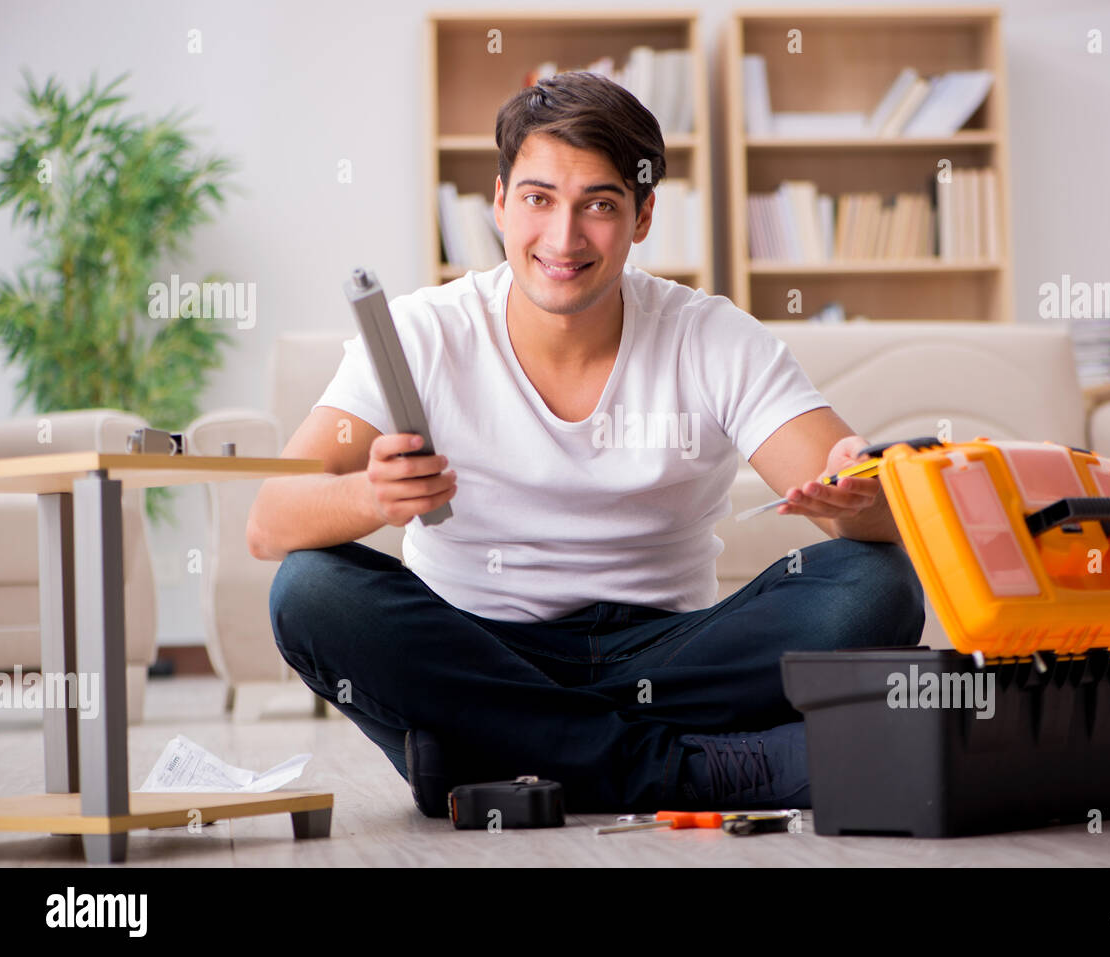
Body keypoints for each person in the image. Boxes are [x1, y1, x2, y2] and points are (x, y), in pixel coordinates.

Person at [248, 71, 924, 817]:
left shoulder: (711, 336)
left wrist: (861, 497)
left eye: (598, 205)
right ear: (501, 202)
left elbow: (857, 513)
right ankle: (701, 767)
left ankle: (492, 755)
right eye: (539, 199)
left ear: (641, 217)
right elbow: (269, 519)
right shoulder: (421, 332)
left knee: (876, 586)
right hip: (477, 651)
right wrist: (369, 495)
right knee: (310, 590)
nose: (563, 239)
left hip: (666, 655)